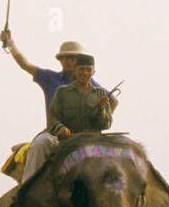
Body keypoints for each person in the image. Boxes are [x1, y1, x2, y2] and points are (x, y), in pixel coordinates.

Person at [0, 31, 115, 182]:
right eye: (64, 58)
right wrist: (10, 43)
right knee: (40, 145)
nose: (68, 62)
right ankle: (26, 191)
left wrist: (99, 117)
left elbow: (112, 100)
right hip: (55, 134)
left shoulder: (93, 87)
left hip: (86, 135)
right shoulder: (50, 79)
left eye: (72, 58)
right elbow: (24, 64)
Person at [21, 53, 117, 182]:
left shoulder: (101, 94)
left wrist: (100, 109)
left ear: (93, 72)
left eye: (88, 70)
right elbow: (53, 117)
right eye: (82, 69)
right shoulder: (62, 92)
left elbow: (105, 125)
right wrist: (60, 127)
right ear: (76, 71)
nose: (85, 73)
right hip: (64, 139)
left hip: (90, 140)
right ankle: (27, 187)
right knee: (40, 144)